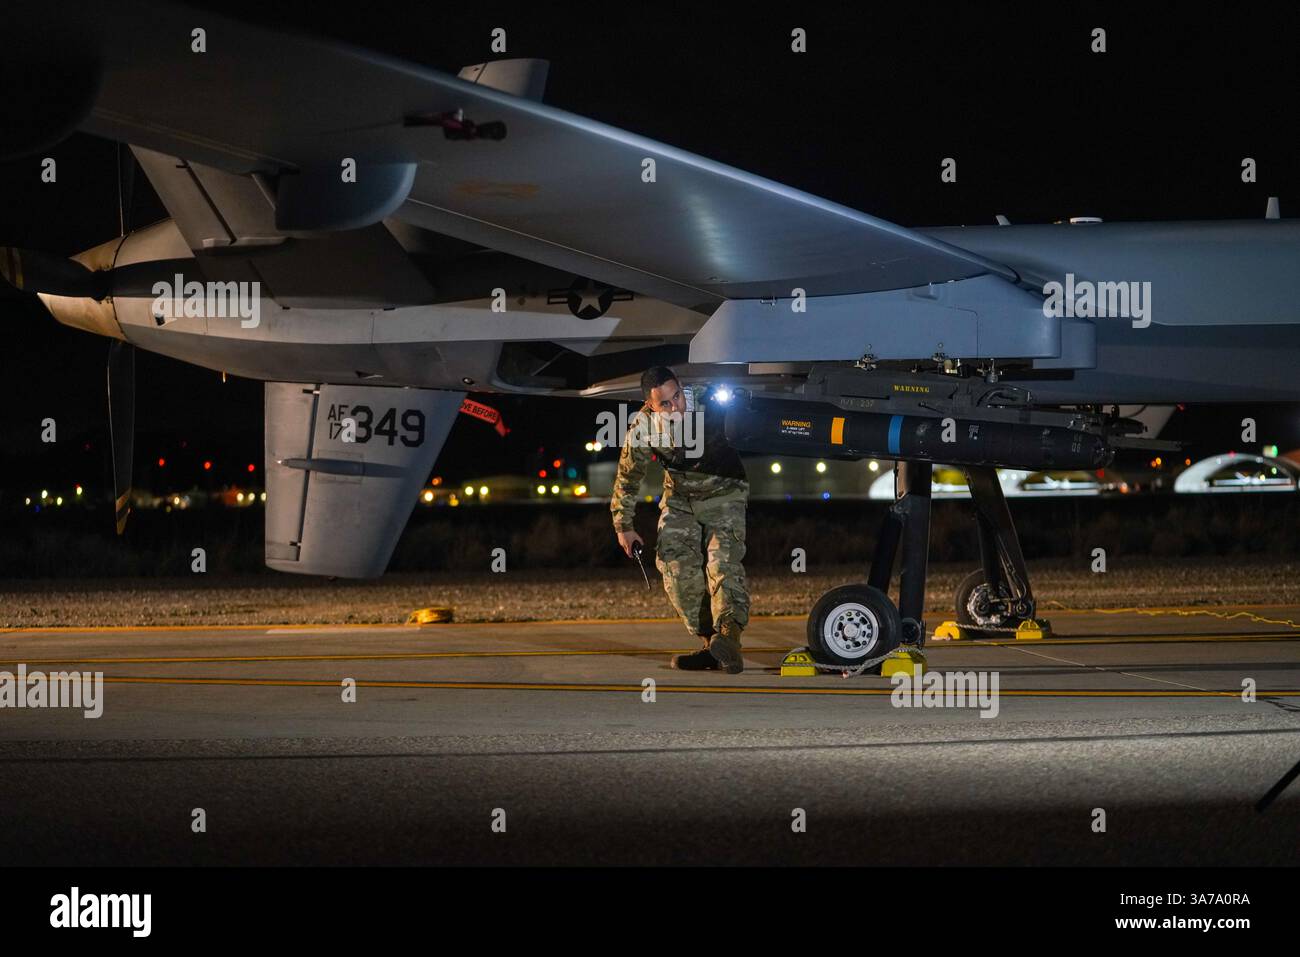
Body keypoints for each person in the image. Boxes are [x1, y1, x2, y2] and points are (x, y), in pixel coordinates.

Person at [610, 366, 750, 673]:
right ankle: (710, 642)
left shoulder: (710, 401)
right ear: (650, 405)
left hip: (724, 491)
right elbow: (627, 478)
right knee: (674, 567)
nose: (677, 407)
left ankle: (729, 638)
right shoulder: (643, 427)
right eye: (666, 404)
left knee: (721, 563)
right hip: (680, 498)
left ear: (682, 386)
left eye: (677, 396)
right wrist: (625, 526)